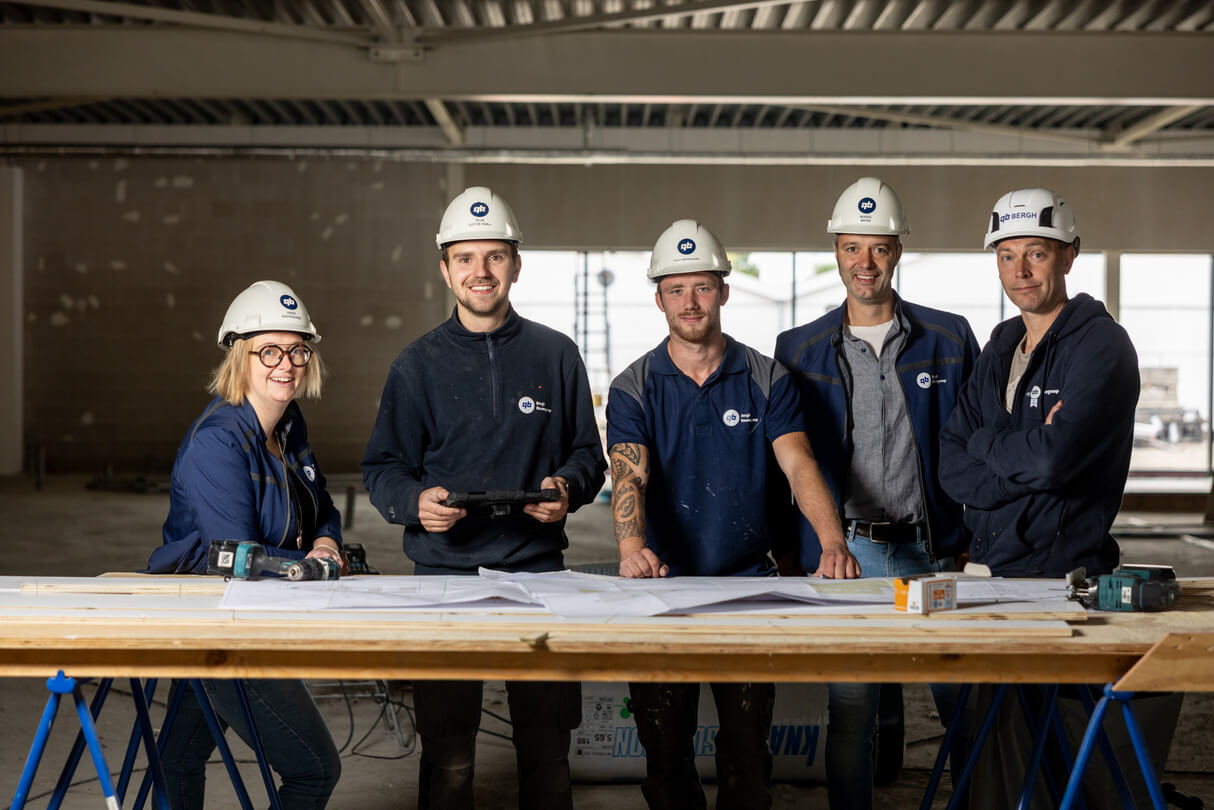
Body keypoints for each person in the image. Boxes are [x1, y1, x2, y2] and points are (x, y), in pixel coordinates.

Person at [361, 186, 606, 810]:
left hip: (539, 572)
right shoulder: (416, 365)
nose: (480, 271)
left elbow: (588, 455)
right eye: (466, 258)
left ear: (516, 265)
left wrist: (568, 489)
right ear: (445, 268)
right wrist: (414, 502)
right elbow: (384, 467)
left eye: (494, 256)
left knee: (548, 745)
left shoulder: (556, 353)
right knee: (447, 751)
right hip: (445, 576)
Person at [939, 189, 1177, 809]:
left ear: (1068, 256)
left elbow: (1056, 459)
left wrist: (994, 447)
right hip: (988, 577)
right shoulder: (998, 345)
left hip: (1060, 582)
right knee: (998, 764)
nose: (1020, 270)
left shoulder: (1101, 346)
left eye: (1036, 253)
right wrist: (1016, 448)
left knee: (1067, 764)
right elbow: (951, 466)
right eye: (1007, 254)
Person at [606, 219, 853, 810]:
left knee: (746, 755)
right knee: (665, 756)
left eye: (702, 287)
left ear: (723, 290)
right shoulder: (634, 386)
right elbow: (628, 475)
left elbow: (798, 464)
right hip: (661, 590)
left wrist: (832, 542)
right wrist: (629, 548)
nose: (689, 303)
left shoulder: (767, 379)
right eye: (675, 289)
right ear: (659, 297)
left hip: (747, 588)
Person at [773, 177, 979, 810]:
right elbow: (788, 457)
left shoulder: (949, 339)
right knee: (852, 716)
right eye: (852, 248)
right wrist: (801, 547)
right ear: (835, 251)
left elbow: (976, 443)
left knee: (962, 709)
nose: (865, 263)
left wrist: (973, 543)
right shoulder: (799, 349)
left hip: (934, 554)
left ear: (898, 252)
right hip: (851, 557)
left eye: (879, 248)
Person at [146, 279, 343, 810]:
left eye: (298, 349)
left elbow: (320, 505)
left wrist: (326, 539)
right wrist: (312, 565)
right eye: (269, 351)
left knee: (179, 759)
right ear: (240, 355)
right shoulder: (219, 441)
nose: (287, 363)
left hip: (256, 612)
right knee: (316, 769)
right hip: (217, 622)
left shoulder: (288, 423)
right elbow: (235, 559)